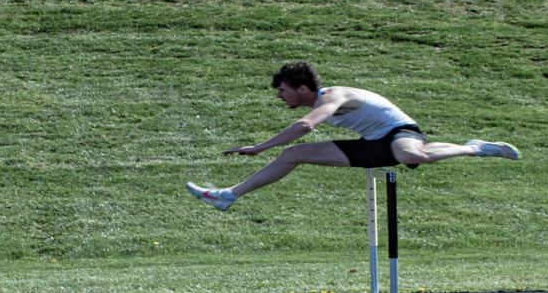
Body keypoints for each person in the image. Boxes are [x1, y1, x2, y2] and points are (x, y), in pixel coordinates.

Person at [187, 62, 519, 212]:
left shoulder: (333, 96)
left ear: (303, 88)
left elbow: (305, 126)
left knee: (412, 154)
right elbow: (300, 133)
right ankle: (228, 195)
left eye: (284, 91)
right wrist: (264, 149)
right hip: (369, 145)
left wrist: (259, 147)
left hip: (398, 133)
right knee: (293, 155)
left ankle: (473, 148)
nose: (281, 98)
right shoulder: (320, 99)